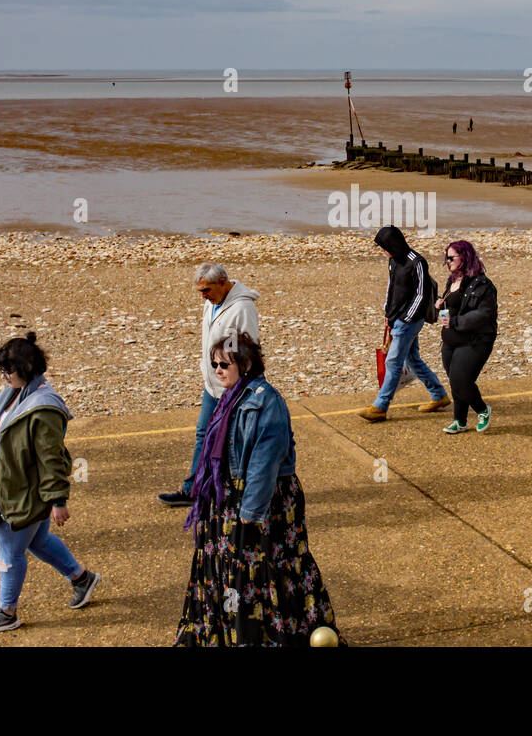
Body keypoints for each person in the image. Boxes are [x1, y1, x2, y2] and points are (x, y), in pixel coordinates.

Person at [175, 332, 342, 645]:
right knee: (230, 570)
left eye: (224, 364)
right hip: (229, 500)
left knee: (267, 568)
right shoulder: (230, 398)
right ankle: (231, 634)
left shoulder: (266, 400)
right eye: (214, 365)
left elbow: (265, 463)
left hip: (262, 502)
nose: (218, 370)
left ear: (246, 363)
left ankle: (268, 634)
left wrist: (250, 511)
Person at [0, 333, 100, 633]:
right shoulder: (17, 392)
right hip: (12, 488)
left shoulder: (43, 408)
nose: (3, 378)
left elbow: (51, 458)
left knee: (9, 553)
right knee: (37, 541)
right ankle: (82, 578)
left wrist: (58, 501)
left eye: (8, 371)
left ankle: (7, 611)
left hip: (23, 495)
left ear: (27, 368)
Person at [158, 262, 259, 508]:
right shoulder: (211, 302)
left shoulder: (243, 308)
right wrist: (207, 372)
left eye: (206, 290)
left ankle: (240, 491)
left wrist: (235, 383)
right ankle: (193, 489)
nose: (203, 296)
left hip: (232, 388)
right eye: (200, 291)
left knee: (234, 440)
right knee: (204, 434)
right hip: (212, 385)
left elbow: (246, 349)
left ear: (222, 283)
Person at [358, 225, 449, 421]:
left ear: (393, 244)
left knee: (393, 361)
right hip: (396, 318)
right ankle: (439, 395)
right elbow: (392, 288)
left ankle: (380, 407)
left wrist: (406, 318)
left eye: (383, 246)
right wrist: (388, 312)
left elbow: (422, 294)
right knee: (412, 358)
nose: (382, 251)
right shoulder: (393, 261)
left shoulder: (417, 262)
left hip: (409, 320)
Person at [437, 240, 498, 434]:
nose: (448, 262)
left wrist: (454, 322)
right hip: (451, 340)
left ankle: (482, 410)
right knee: (455, 381)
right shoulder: (452, 280)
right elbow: (453, 307)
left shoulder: (483, 284)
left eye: (451, 258)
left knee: (461, 380)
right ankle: (460, 421)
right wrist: (439, 304)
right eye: (446, 258)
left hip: (476, 340)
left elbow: (484, 314)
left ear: (465, 256)